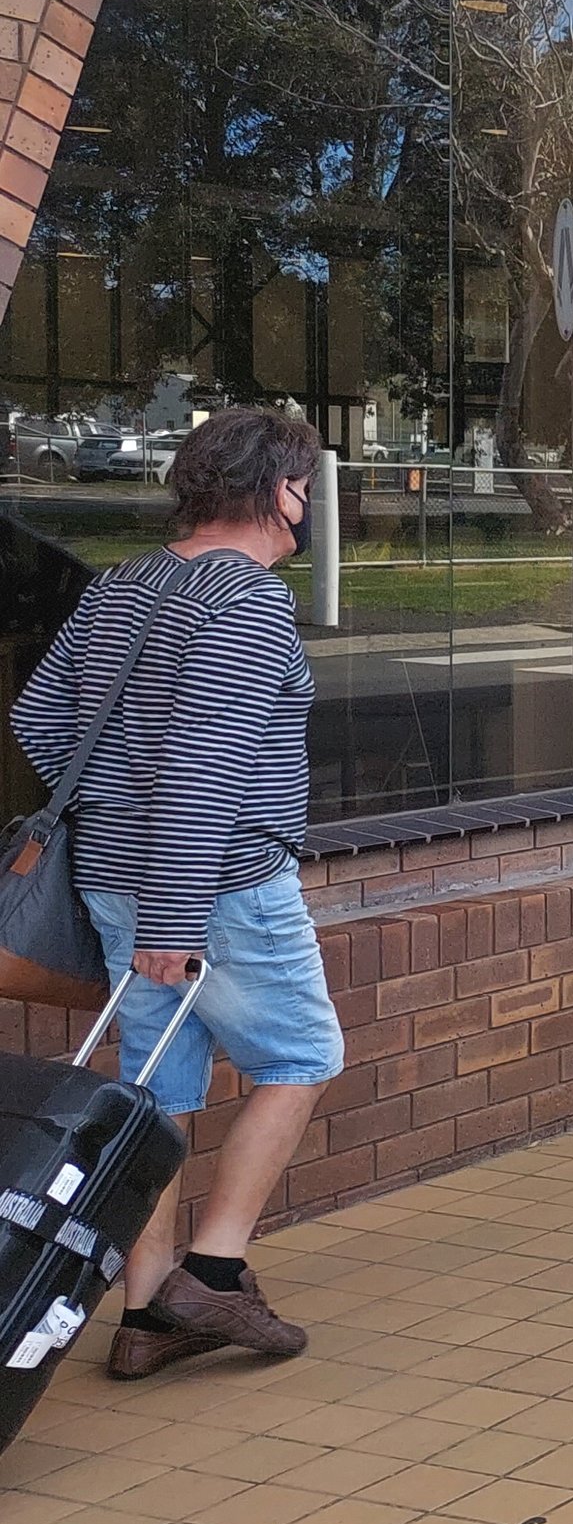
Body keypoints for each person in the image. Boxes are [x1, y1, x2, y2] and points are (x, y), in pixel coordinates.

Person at [10, 405, 343, 1378]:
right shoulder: (242, 603)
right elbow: (203, 767)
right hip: (218, 886)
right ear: (276, 489)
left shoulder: (125, 585)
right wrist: (175, 912)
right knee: (303, 1052)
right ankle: (215, 1269)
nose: (310, 505)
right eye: (307, 486)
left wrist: (113, 801)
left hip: (119, 876)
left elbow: (39, 715)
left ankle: (147, 1312)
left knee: (153, 1086)